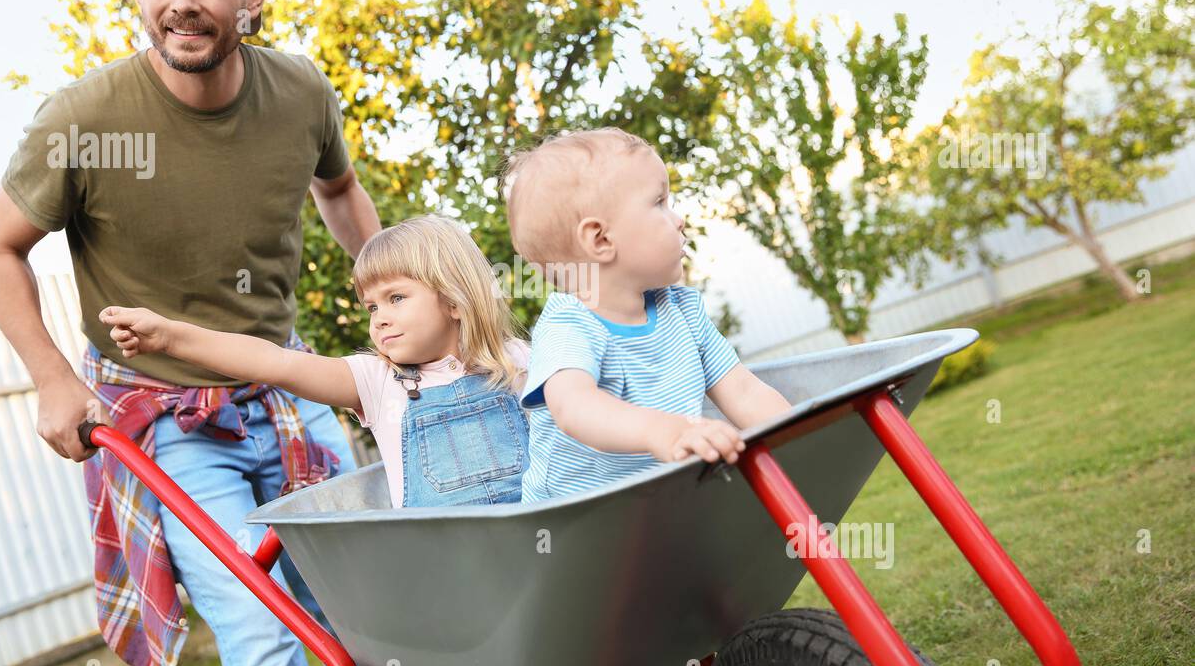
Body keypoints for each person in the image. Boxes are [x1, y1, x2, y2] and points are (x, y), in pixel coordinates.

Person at [0, 0, 395, 666]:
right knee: (259, 625)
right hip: (168, 421)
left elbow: (339, 191)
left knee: (364, 613)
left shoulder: (301, 92)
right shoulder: (83, 117)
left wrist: (394, 289)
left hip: (286, 387)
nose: (181, 4)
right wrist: (54, 378)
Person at [100, 214, 532, 510]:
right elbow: (272, 362)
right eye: (371, 307)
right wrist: (172, 336)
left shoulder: (517, 365)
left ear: (454, 299)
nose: (380, 317)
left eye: (396, 298)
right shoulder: (379, 381)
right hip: (447, 568)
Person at [502, 127, 793, 504]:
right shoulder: (569, 326)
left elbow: (743, 391)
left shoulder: (683, 311)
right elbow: (574, 407)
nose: (679, 220)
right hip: (580, 528)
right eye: (659, 203)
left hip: (661, 506)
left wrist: (800, 437)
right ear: (601, 240)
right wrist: (666, 432)